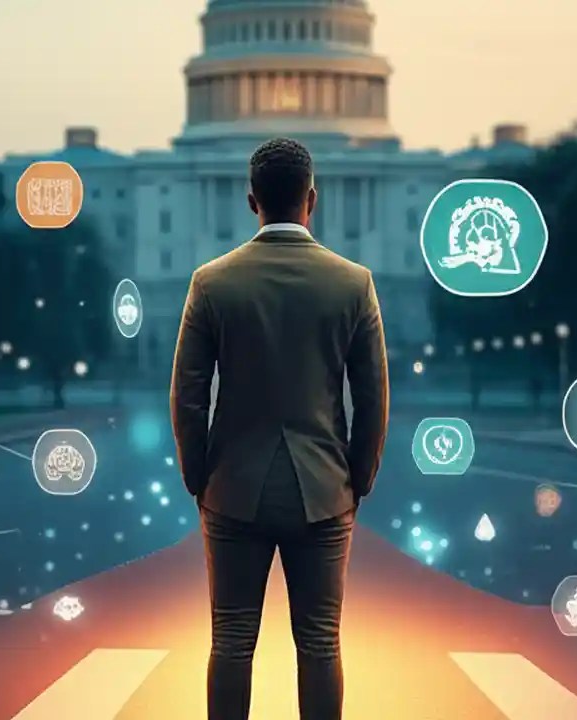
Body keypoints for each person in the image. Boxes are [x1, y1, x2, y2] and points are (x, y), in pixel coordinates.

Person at [170, 137, 389, 719]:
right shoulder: (353, 282)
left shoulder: (211, 282)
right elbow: (372, 398)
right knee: (320, 643)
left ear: (251, 202)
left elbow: (188, 395)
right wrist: (357, 480)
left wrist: (200, 476)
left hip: (232, 487)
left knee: (232, 643)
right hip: (323, 489)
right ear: (312, 199)